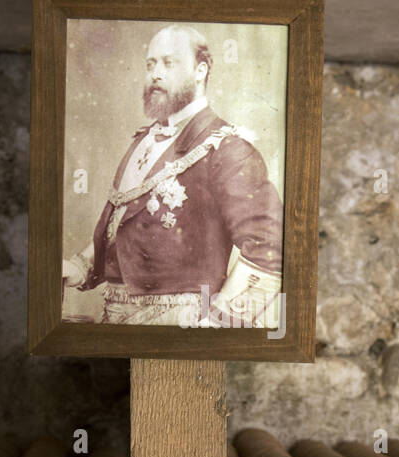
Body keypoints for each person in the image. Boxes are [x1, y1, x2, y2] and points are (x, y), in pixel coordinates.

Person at [62, 24, 283, 327]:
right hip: (115, 317)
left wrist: (221, 322)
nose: (156, 73)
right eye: (150, 64)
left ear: (200, 70)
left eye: (169, 62)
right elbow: (123, 223)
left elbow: (269, 245)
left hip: (182, 320)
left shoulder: (228, 149)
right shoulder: (143, 141)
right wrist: (81, 267)